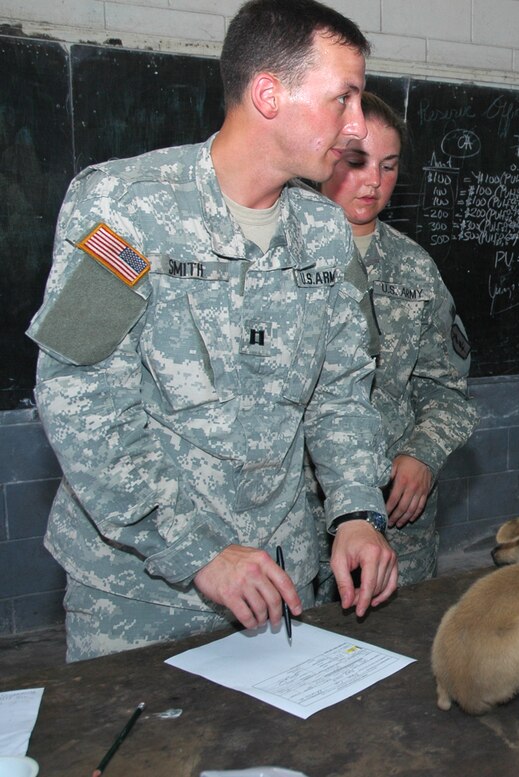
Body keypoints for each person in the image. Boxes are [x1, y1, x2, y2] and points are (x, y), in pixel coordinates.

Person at [26, 0, 396, 661]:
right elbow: (79, 395)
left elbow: (341, 393)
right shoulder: (122, 207)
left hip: (281, 587)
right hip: (137, 598)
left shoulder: (325, 233)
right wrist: (195, 551)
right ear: (267, 94)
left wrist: (355, 514)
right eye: (343, 99)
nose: (356, 128)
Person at [319, 92, 477, 585]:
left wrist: (423, 453)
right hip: (299, 514)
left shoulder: (414, 267)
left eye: (388, 167)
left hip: (395, 518)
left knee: (397, 651)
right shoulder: (283, 255)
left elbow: (447, 387)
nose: (373, 182)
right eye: (357, 162)